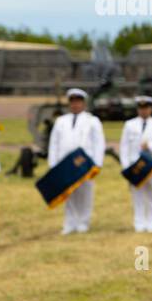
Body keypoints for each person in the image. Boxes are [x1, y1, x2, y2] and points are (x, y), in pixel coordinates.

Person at [47, 87, 105, 234]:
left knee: (85, 194)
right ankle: (70, 223)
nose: (75, 105)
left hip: (85, 163)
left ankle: (83, 223)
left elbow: (99, 144)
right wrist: (53, 164)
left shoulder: (92, 121)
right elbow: (54, 143)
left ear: (83, 103)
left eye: (78, 102)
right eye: (72, 102)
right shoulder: (61, 121)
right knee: (69, 194)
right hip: (65, 163)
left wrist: (97, 164)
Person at [119, 95, 152, 232]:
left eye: (146, 108)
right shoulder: (129, 125)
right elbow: (124, 147)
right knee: (137, 196)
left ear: (151, 109)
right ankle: (139, 223)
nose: (143, 111)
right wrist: (126, 166)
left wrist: (151, 145)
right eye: (141, 108)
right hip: (135, 167)